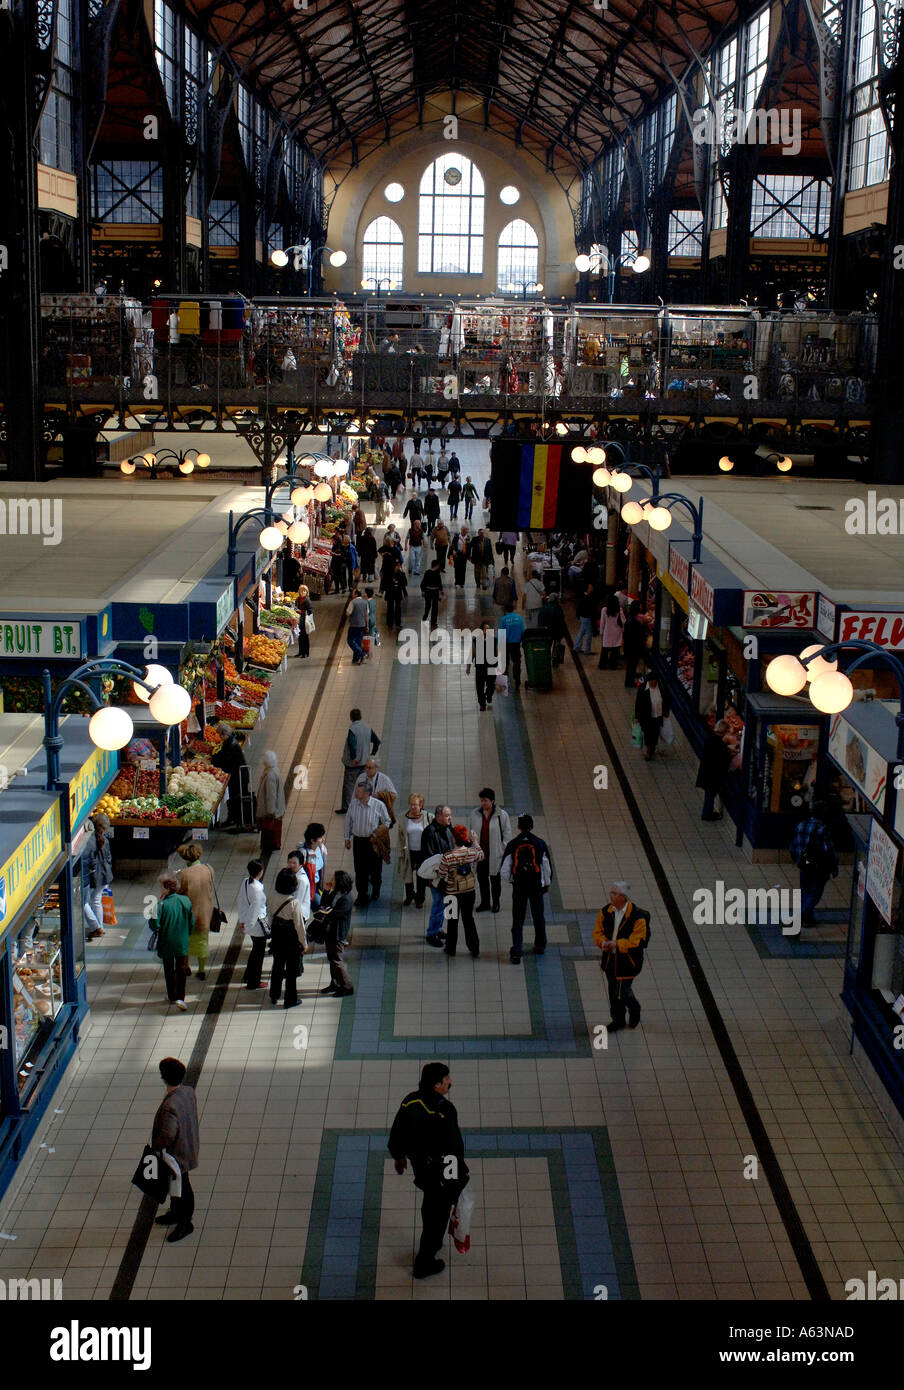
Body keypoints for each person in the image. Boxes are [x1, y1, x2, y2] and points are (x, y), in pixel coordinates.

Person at [388, 1063, 469, 1279]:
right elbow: (453, 1151)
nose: (450, 1082)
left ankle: (433, 1240)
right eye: (446, 1080)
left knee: (431, 1208)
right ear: (436, 1085)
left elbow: (398, 1132)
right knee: (436, 1217)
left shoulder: (411, 1101)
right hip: (440, 1174)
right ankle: (424, 1262)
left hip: (421, 1167)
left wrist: (399, 1156)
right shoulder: (445, 1112)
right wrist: (454, 1184)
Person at [151, 1057, 200, 1243]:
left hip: (176, 1154)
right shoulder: (188, 1092)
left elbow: (168, 1135)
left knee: (183, 1187)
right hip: (189, 1144)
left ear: (164, 1078)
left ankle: (185, 1222)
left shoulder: (169, 1106)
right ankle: (176, 1213)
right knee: (178, 1184)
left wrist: (156, 1145)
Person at [593, 882, 650, 1032]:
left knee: (622, 990)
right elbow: (597, 932)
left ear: (623, 897)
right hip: (610, 961)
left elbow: (636, 941)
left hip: (627, 962)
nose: (610, 895)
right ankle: (618, 1019)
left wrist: (617, 944)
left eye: (614, 893)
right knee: (613, 991)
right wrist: (602, 942)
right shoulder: (606, 912)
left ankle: (634, 1007)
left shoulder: (637, 917)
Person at [500, 813, 552, 964]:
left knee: (518, 918)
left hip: (520, 886)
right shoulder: (539, 843)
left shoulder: (513, 844)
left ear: (518, 827)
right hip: (536, 885)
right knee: (538, 916)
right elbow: (546, 867)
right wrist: (546, 884)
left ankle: (516, 951)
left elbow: (504, 869)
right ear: (532, 826)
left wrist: (512, 880)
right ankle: (540, 944)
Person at [430, 825, 483, 957]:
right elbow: (481, 855)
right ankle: (474, 948)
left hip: (451, 894)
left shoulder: (448, 856)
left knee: (452, 921)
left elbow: (442, 874)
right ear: (466, 838)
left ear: (453, 839)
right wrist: (475, 841)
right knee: (468, 920)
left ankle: (451, 948)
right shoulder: (471, 852)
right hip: (469, 892)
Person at [344, 783, 392, 906]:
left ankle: (376, 889)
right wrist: (347, 837)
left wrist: (378, 833)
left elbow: (387, 821)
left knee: (375, 868)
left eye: (358, 791)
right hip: (359, 841)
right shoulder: (354, 804)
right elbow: (348, 820)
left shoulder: (378, 805)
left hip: (373, 842)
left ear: (366, 793)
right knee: (359, 869)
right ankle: (362, 894)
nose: (356, 793)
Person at [790, 809, 839, 928]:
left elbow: (793, 845)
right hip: (819, 867)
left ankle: (807, 919)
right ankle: (800, 918)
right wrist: (834, 866)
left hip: (804, 864)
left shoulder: (801, 825)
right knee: (815, 894)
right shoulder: (823, 829)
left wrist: (797, 859)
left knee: (805, 892)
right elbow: (829, 850)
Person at [151, 875, 194, 1009]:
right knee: (181, 968)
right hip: (182, 941)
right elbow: (191, 921)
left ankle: (172, 995)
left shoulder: (159, 905)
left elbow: (154, 924)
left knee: (169, 969)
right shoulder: (185, 900)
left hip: (166, 942)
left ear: (166, 889)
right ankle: (181, 997)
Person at [468, 788, 513, 914]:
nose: (483, 803)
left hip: (495, 855)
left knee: (495, 881)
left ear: (492, 801)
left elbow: (508, 836)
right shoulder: (475, 814)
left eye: (486, 800)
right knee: (482, 880)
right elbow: (471, 832)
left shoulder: (502, 815)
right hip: (480, 855)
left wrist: (501, 850)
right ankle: (485, 903)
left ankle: (496, 903)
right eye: (481, 800)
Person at [268, 868, 307, 1008]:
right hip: (291, 938)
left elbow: (270, 916)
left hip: (277, 934)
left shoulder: (272, 896)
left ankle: (274, 994)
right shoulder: (294, 902)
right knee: (291, 970)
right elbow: (299, 925)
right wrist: (304, 942)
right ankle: (290, 999)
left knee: (277, 965)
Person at [176, 842, 216, 980]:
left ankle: (186, 967)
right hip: (206, 911)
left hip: (189, 914)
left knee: (186, 941)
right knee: (203, 941)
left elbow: (179, 892)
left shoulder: (183, 874)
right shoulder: (209, 869)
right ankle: (202, 969)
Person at [420, 805, 456, 945]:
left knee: (443, 904)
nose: (450, 818)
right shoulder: (429, 832)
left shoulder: (448, 828)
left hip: (447, 873)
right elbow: (428, 857)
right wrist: (431, 878)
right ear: (438, 816)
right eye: (447, 816)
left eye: (450, 815)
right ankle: (432, 933)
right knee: (438, 903)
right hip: (436, 876)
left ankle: (438, 927)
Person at [318, 870, 355, 997]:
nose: (331, 880)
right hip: (330, 931)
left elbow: (334, 913)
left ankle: (347, 985)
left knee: (336, 960)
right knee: (332, 958)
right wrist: (326, 891)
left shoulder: (347, 899)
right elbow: (323, 905)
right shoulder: (335, 893)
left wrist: (326, 913)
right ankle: (335, 983)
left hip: (338, 933)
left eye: (333, 879)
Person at [338, 708, 381, 813]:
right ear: (360, 717)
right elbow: (377, 741)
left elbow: (352, 744)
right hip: (364, 763)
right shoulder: (367, 728)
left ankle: (346, 807)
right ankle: (365, 803)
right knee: (363, 783)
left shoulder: (352, 729)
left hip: (353, 764)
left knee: (349, 785)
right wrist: (372, 754)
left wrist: (354, 758)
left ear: (351, 717)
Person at [236, 859, 268, 989]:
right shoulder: (257, 890)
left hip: (249, 922)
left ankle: (249, 975)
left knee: (256, 951)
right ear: (260, 872)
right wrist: (248, 925)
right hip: (257, 925)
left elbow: (241, 902)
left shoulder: (245, 882)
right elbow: (255, 911)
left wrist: (242, 920)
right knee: (258, 954)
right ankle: (254, 980)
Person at [210, 721, 248, 829]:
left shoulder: (231, 745)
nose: (220, 738)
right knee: (232, 798)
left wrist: (214, 761)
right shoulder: (230, 742)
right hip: (236, 775)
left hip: (239, 776)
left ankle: (236, 821)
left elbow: (225, 759)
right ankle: (232, 819)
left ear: (224, 734)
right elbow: (222, 755)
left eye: (220, 735)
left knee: (235, 798)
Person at [82, 813, 113, 940]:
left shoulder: (90, 841)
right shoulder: (104, 840)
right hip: (105, 874)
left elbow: (88, 860)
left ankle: (96, 926)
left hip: (95, 875)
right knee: (96, 900)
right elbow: (109, 857)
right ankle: (99, 926)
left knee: (83, 902)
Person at [398, 793, 430, 907]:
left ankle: (420, 899)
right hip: (409, 851)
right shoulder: (403, 817)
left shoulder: (428, 817)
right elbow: (400, 836)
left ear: (421, 805)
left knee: (421, 876)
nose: (412, 807)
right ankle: (410, 895)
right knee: (408, 875)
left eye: (415, 805)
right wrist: (400, 851)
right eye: (411, 804)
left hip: (423, 852)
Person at [697, 722, 734, 821]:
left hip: (706, 773)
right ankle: (707, 814)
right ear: (724, 732)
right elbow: (724, 761)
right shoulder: (720, 745)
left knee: (709, 796)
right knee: (710, 796)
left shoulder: (710, 739)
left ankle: (707, 812)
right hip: (713, 777)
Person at [634, 675, 671, 761]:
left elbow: (667, 699)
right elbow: (638, 703)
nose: (654, 684)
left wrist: (666, 711)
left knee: (655, 733)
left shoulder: (661, 687)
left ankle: (652, 747)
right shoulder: (643, 688)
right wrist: (637, 716)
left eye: (655, 682)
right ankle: (649, 750)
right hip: (647, 716)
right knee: (648, 733)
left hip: (658, 716)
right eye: (652, 682)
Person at [465, 621, 499, 711]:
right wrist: (468, 667)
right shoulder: (476, 641)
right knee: (479, 687)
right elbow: (471, 654)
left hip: (492, 667)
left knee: (491, 685)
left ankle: (489, 695)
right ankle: (482, 704)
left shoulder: (494, 640)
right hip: (480, 667)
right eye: (485, 629)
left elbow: (497, 653)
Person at [256, 750, 285, 852]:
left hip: (271, 810)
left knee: (269, 829)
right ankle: (272, 844)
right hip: (277, 808)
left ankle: (270, 845)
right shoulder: (274, 769)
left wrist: (271, 811)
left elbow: (271, 796)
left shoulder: (270, 775)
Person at [298, 823, 328, 908]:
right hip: (306, 887)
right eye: (320, 837)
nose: (323, 839)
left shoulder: (322, 849)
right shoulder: (303, 853)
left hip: (317, 886)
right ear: (312, 840)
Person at [498, 607, 526, 692]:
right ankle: (517, 679)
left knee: (505, 662)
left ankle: (505, 680)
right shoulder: (519, 618)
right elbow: (523, 631)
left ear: (504, 610)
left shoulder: (503, 619)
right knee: (516, 661)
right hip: (516, 643)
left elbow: (501, 633)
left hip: (506, 643)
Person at [621, 600, 648, 688]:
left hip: (630, 647)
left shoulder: (630, 618)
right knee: (631, 665)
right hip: (633, 647)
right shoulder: (634, 621)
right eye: (640, 606)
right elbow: (637, 634)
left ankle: (631, 677)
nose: (641, 607)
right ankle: (629, 682)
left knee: (632, 664)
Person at [286, 851, 313, 937]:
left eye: (294, 863)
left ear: (301, 864)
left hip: (299, 914)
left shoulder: (301, 880)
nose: (291, 865)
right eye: (289, 862)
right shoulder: (292, 874)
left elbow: (297, 900)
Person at [598, 592, 624, 670]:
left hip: (608, 632)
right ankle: (613, 665)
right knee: (615, 650)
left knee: (605, 650)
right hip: (617, 633)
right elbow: (623, 622)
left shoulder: (604, 610)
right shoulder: (619, 610)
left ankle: (602, 665)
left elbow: (602, 623)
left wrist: (601, 632)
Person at [573, 582, 598, 655]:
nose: (592, 588)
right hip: (586, 617)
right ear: (587, 589)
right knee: (589, 634)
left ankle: (577, 647)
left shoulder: (585, 596)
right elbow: (591, 608)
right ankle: (587, 650)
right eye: (590, 587)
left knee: (581, 632)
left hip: (583, 617)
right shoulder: (588, 597)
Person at [346, 587, 368, 665]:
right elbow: (366, 615)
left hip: (354, 625)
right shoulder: (365, 602)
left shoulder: (353, 602)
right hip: (362, 625)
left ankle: (362, 654)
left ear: (356, 594)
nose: (352, 595)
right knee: (358, 641)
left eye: (353, 593)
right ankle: (356, 658)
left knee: (350, 640)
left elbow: (348, 613)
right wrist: (367, 626)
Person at [385, 558, 408, 630]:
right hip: (390, 593)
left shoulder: (401, 574)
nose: (399, 567)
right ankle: (389, 623)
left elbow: (404, 584)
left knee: (398, 609)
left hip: (398, 593)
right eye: (397, 565)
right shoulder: (388, 573)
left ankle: (398, 623)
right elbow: (385, 584)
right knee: (390, 608)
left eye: (399, 565)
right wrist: (392, 582)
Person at [421, 560, 444, 629]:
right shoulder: (428, 572)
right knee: (428, 606)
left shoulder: (437, 573)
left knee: (435, 607)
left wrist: (441, 590)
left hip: (435, 592)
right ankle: (424, 618)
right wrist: (423, 591)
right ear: (436, 566)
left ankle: (433, 622)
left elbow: (439, 582)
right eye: (438, 565)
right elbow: (423, 582)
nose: (439, 566)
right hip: (428, 591)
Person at [295, 585, 314, 659]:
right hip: (299, 620)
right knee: (300, 636)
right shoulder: (298, 599)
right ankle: (300, 652)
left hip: (305, 620)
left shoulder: (307, 601)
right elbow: (295, 607)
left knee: (305, 637)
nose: (303, 592)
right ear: (299, 592)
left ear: (307, 592)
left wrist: (301, 611)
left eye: (304, 591)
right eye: (301, 591)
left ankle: (306, 653)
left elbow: (310, 611)